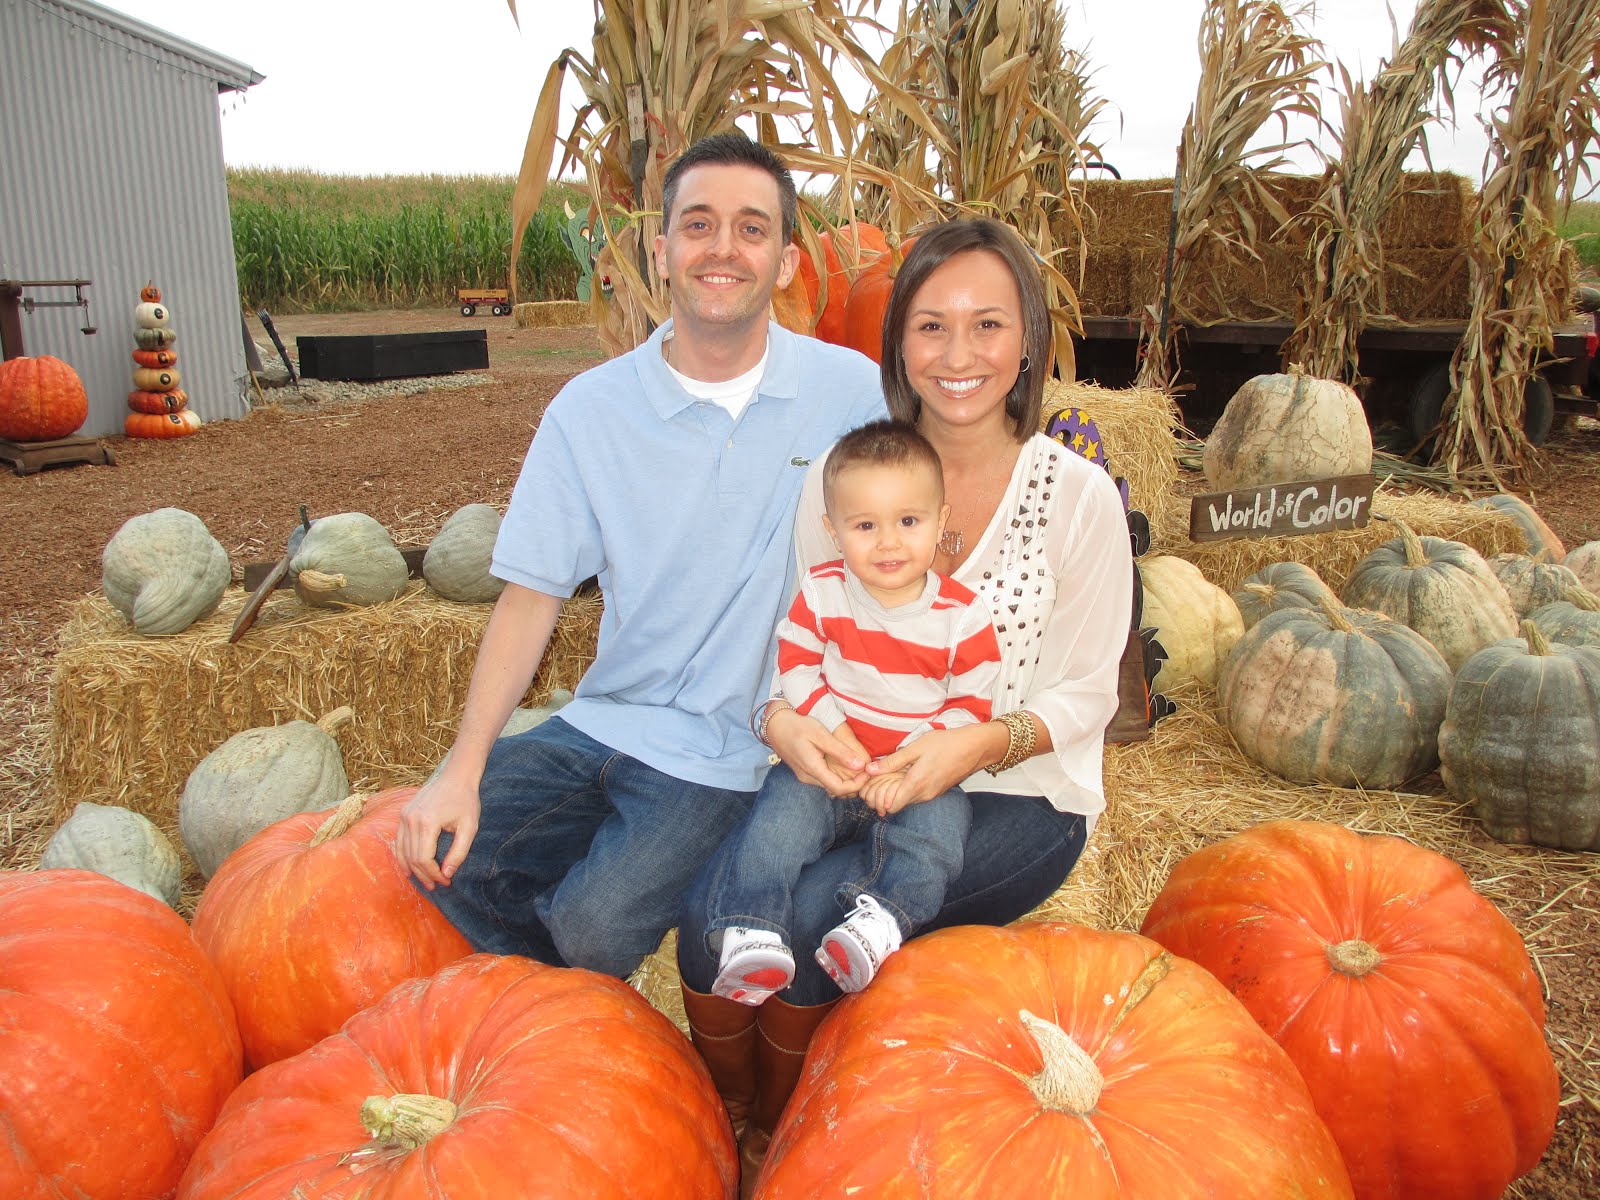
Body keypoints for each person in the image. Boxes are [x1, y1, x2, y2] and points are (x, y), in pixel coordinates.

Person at [675, 216, 1134, 1189]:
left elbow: (1089, 690)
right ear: (897, 346)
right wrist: (786, 723)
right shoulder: (844, 485)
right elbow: (795, 638)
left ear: (1026, 343)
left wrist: (971, 746)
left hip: (1014, 794)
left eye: (987, 325)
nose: (958, 354)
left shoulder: (1077, 496)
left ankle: (786, 1134)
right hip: (848, 759)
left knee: (802, 918)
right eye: (930, 326)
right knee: (711, 923)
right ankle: (724, 1114)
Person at [394, 131, 885, 979]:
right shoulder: (589, 411)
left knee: (591, 927)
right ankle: (567, 1015)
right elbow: (530, 600)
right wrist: (458, 770)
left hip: (736, 744)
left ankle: (578, 989)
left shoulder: (851, 393)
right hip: (603, 719)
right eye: (697, 225)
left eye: (751, 229)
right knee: (433, 853)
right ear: (660, 253)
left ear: (787, 260)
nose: (722, 248)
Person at [707, 419, 1002, 1006]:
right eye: (865, 526)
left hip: (914, 774)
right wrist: (837, 734)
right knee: (775, 823)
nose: (888, 543)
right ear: (833, 530)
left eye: (908, 522)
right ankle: (751, 931)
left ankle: (881, 923)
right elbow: (798, 666)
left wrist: (901, 766)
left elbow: (971, 706)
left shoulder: (963, 617)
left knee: (940, 835)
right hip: (830, 765)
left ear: (941, 523)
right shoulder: (822, 592)